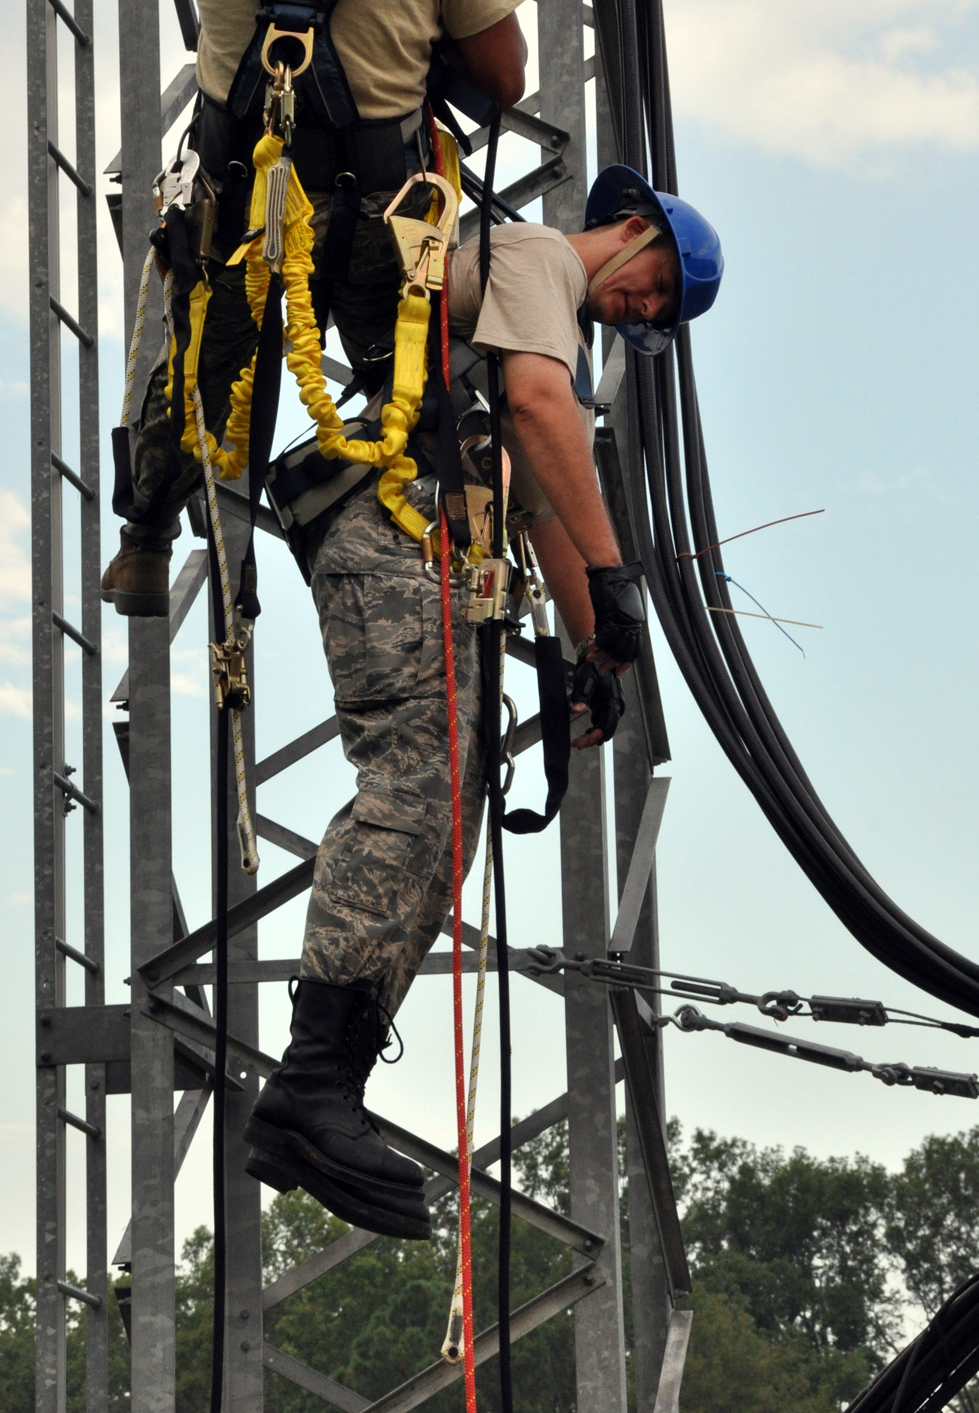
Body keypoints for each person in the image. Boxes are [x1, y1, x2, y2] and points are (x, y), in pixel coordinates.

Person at [244, 162, 723, 1240]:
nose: (647, 311)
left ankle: (327, 1084)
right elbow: (538, 406)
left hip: (430, 540)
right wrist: (613, 578)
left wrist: (587, 649)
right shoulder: (541, 258)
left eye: (661, 317)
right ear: (634, 230)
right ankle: (308, 1089)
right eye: (657, 288)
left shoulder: (545, 323)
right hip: (389, 525)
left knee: (450, 809)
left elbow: (540, 484)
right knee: (416, 784)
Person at [100, 0, 527, 615]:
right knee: (422, 388)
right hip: (382, 213)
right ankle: (474, 568)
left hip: (244, 194)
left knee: (200, 369)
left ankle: (143, 540)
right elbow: (504, 81)